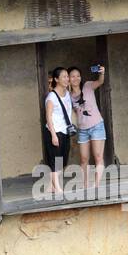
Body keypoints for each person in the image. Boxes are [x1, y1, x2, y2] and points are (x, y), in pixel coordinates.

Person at [69, 64, 107, 194]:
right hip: (82, 130)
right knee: (84, 159)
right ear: (68, 78)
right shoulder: (68, 96)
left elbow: (101, 81)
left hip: (97, 125)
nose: (76, 78)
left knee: (97, 156)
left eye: (78, 76)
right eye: (72, 76)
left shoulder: (88, 86)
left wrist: (102, 72)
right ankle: (85, 185)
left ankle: (96, 186)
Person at [41, 67, 74, 197]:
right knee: (56, 161)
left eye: (67, 76)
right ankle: (58, 188)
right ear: (56, 79)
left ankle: (51, 186)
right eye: (64, 77)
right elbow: (48, 117)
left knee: (63, 160)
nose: (67, 79)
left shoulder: (67, 94)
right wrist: (54, 135)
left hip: (64, 131)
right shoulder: (51, 97)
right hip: (54, 132)